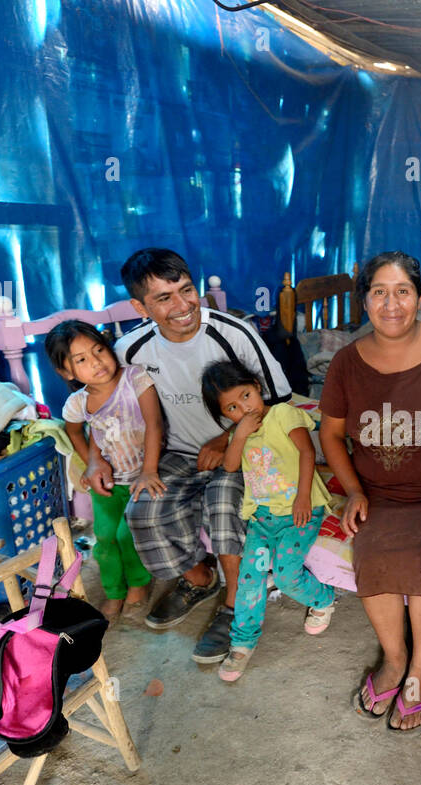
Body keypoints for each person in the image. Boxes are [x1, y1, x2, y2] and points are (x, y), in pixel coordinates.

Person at [105, 248, 292, 659]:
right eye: (164, 298)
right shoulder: (131, 351)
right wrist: (99, 458)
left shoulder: (234, 334)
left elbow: (278, 400)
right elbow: (110, 408)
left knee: (224, 503)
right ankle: (199, 577)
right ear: (140, 306)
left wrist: (226, 440)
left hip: (244, 450)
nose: (183, 305)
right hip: (178, 453)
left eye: (186, 290)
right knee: (143, 512)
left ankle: (234, 606)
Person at [319, 251, 421, 732]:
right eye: (379, 292)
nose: (391, 303)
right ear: (365, 301)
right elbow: (331, 435)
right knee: (373, 554)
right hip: (379, 495)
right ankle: (396, 661)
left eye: (402, 291)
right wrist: (354, 491)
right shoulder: (346, 363)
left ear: (419, 297)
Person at [199, 359, 336, 682]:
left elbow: (306, 452)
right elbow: (230, 467)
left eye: (246, 396)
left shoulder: (282, 414)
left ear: (258, 388)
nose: (244, 408)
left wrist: (303, 497)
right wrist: (240, 435)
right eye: (232, 407)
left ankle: (324, 598)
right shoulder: (241, 431)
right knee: (249, 580)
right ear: (225, 415)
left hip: (300, 510)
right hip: (262, 519)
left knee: (288, 576)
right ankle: (242, 643)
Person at [45, 320, 161, 621]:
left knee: (127, 535)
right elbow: (74, 432)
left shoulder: (135, 379)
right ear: (66, 372)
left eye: (99, 350)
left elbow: (154, 423)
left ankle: (138, 583)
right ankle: (114, 590)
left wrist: (149, 470)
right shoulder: (78, 403)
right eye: (82, 359)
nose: (96, 362)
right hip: (109, 484)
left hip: (142, 478)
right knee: (105, 537)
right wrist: (92, 463)